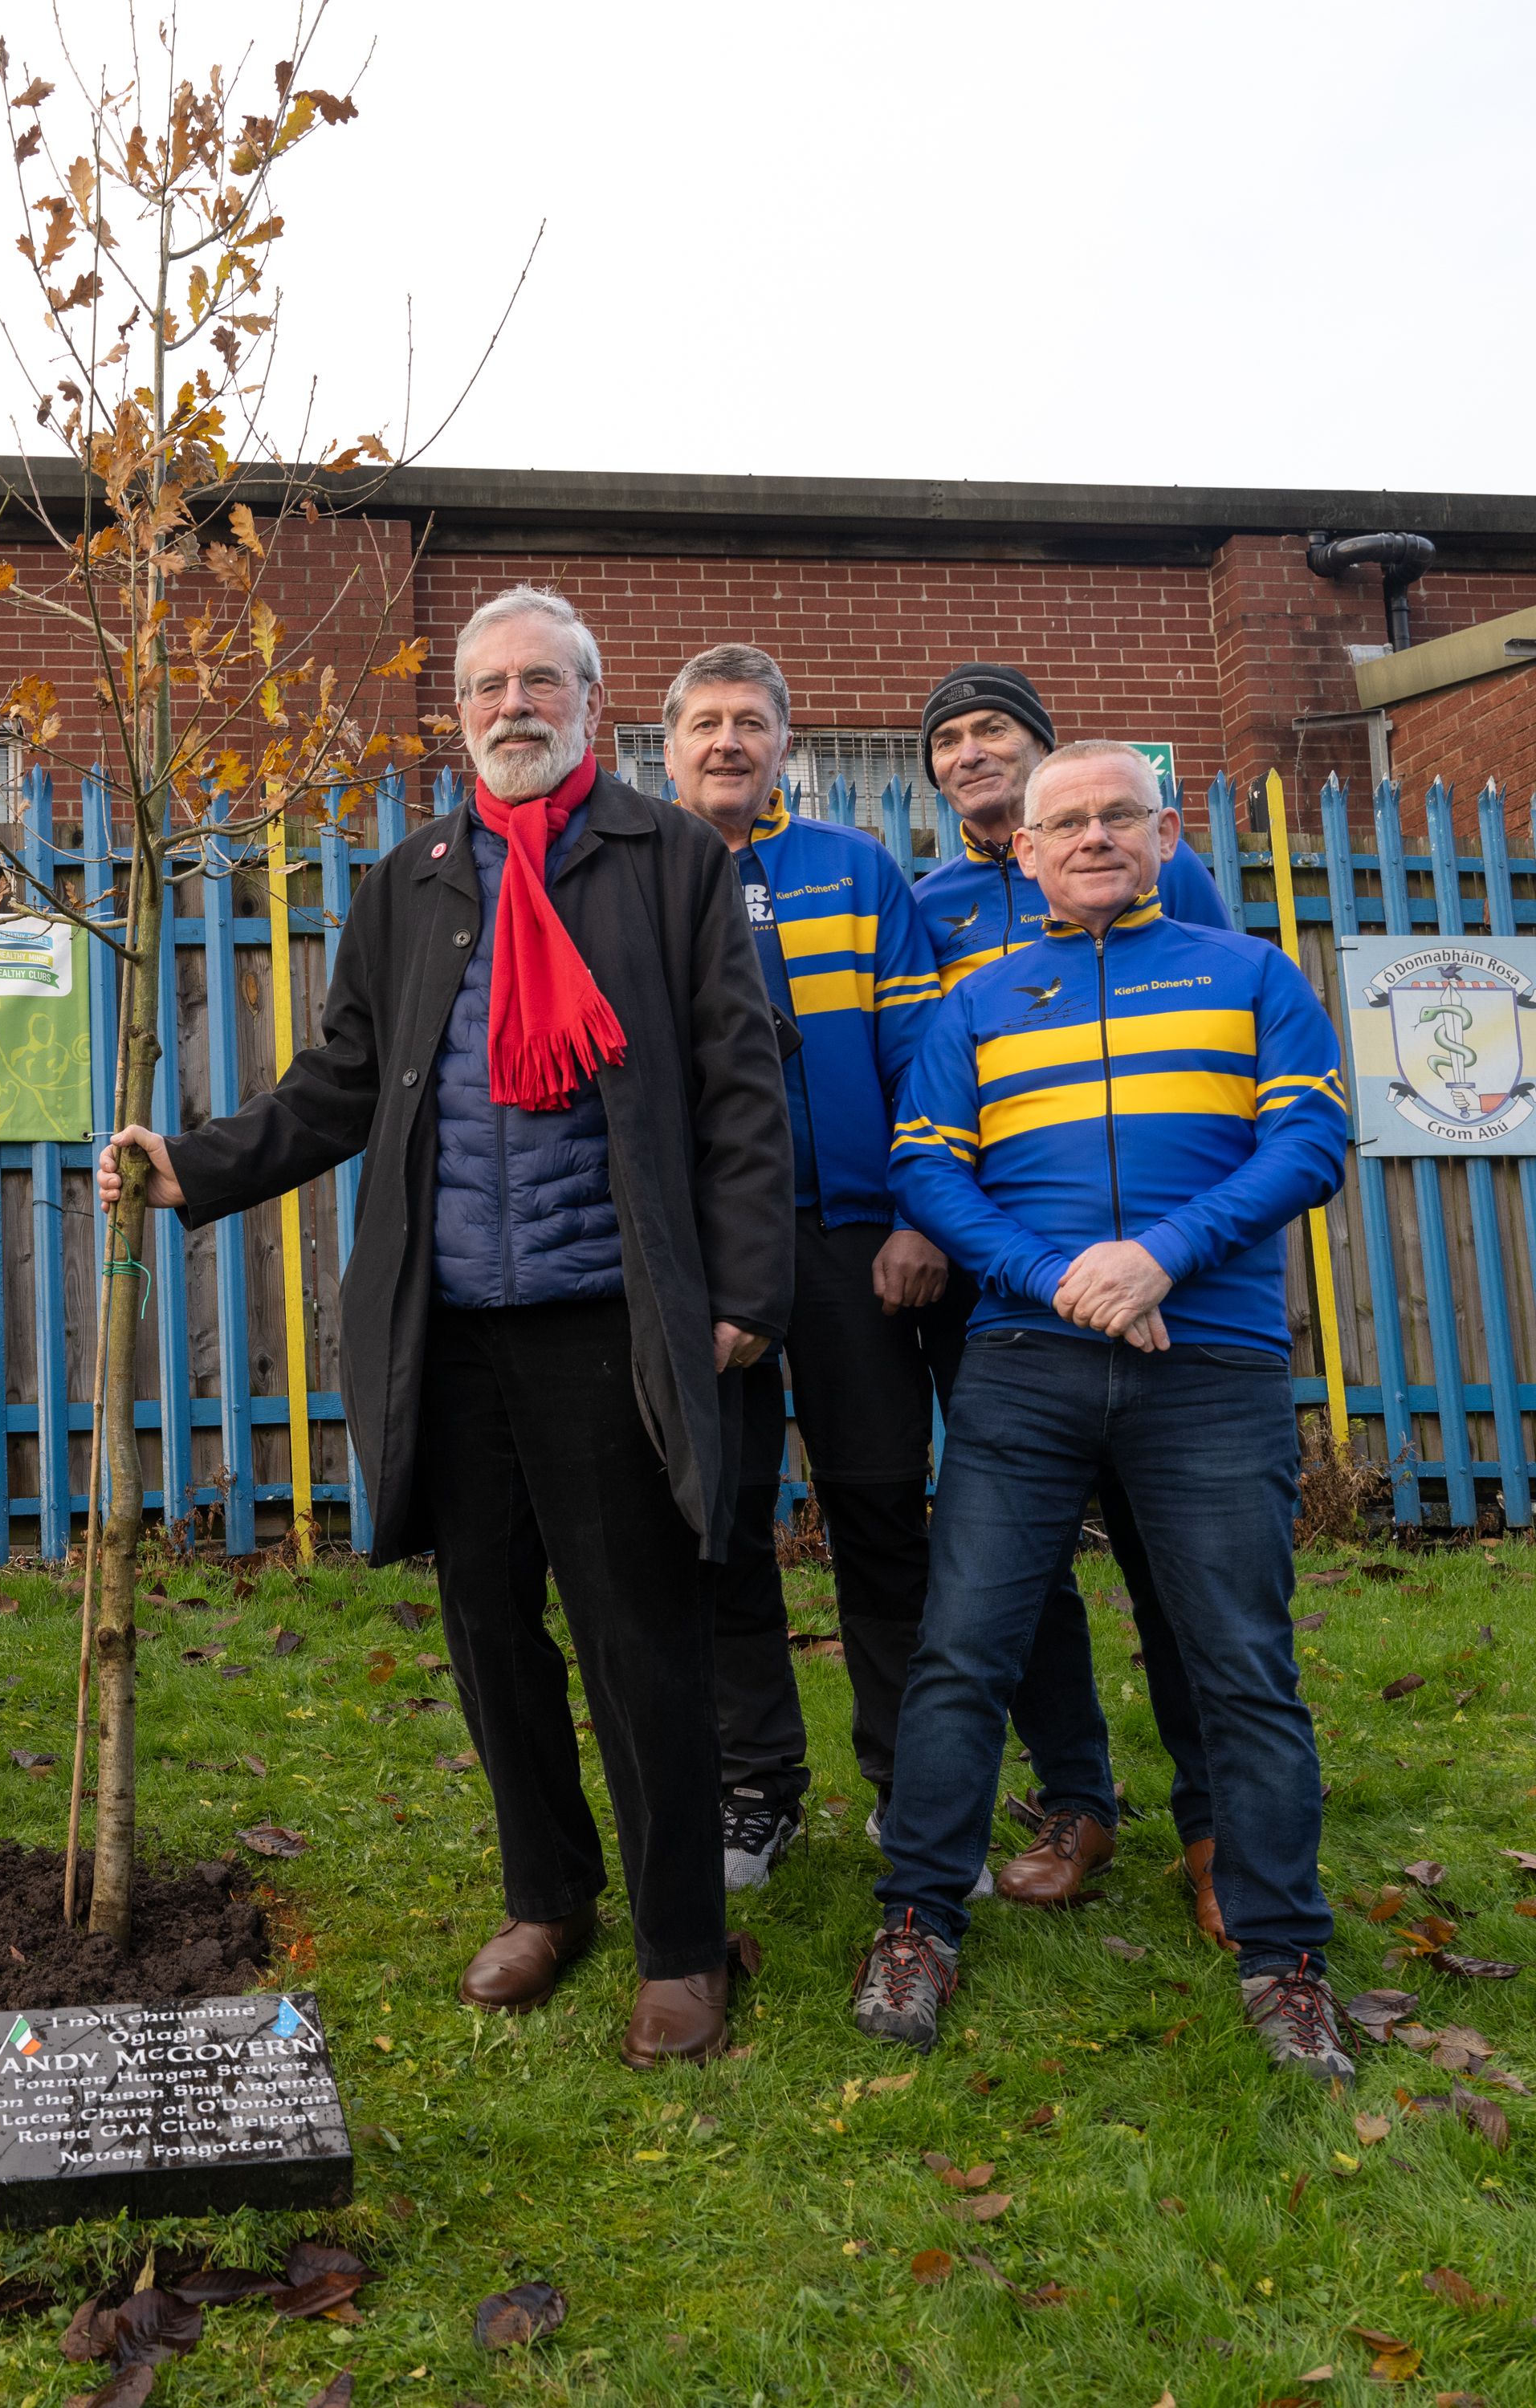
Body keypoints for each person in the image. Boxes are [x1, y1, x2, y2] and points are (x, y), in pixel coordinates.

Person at [100, 585, 792, 2068]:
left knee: (640, 1639)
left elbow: (743, 1086)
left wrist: (742, 1293)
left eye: (542, 683)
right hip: (452, 1323)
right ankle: (551, 1897)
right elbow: (339, 1083)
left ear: (594, 710)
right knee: (488, 1631)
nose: (512, 706)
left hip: (608, 1316)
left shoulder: (667, 859)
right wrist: (196, 1165)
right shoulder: (413, 879)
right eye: (486, 687)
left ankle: (683, 1940)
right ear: (459, 712)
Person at [859, 741, 1351, 2076]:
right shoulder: (979, 999)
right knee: (965, 1647)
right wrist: (1057, 1276)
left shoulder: (1253, 977)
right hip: (1025, 1359)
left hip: (1212, 1361)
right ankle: (916, 1922)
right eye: (1061, 823)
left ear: (1165, 829)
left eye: (1115, 816)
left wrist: (1162, 1256)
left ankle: (1284, 1952)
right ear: (1022, 851)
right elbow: (926, 1172)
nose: (1089, 839)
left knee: (1242, 1659)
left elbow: (1311, 1143)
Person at [912, 663, 1225, 1934]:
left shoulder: (1162, 871)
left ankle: (1215, 1818)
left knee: (1169, 1554)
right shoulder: (928, 903)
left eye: (995, 731)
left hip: (1164, 1290)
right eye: (949, 740)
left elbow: (1209, 1040)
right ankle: (1076, 1798)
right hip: (997, 1276)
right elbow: (916, 1086)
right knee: (1016, 1564)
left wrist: (1154, 1257)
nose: (970, 753)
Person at [658, 647, 944, 1890]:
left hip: (851, 1248)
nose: (728, 742)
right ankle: (753, 1791)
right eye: (706, 724)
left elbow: (928, 1062)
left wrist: (916, 1217)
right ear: (665, 749)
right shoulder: (639, 877)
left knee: (882, 1512)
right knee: (717, 1528)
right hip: (705, 1261)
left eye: (752, 724)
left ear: (788, 747)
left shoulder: (859, 870)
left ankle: (913, 1787)